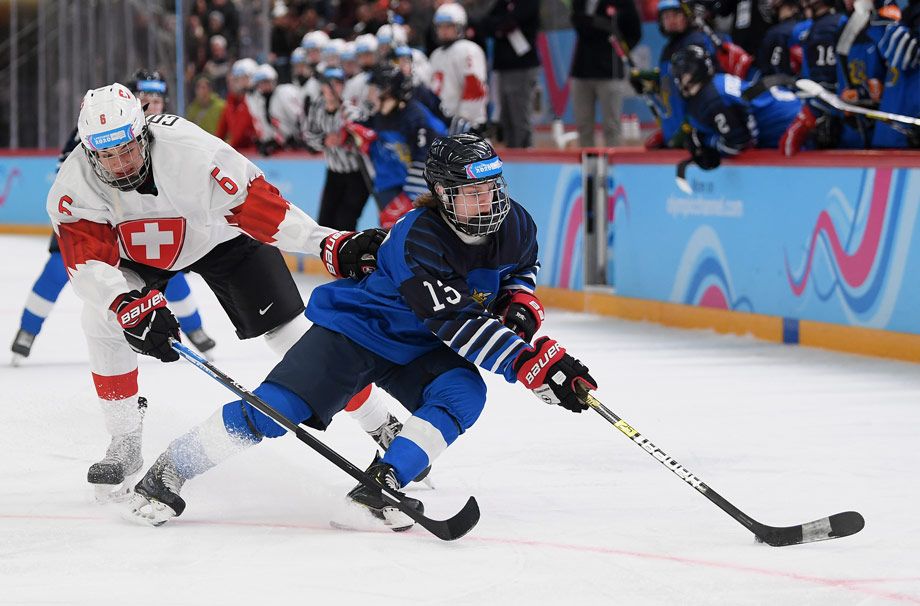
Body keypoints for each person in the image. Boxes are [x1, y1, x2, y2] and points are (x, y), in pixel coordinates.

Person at [126, 133, 598, 530]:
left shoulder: (516, 223)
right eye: (471, 192)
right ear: (442, 194)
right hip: (356, 334)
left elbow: (520, 270)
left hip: (420, 348)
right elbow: (457, 322)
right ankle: (170, 469)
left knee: (464, 392)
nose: (487, 202)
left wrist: (519, 304)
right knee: (274, 413)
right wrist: (528, 362)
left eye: (491, 188)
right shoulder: (418, 238)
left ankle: (379, 486)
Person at [47, 82, 391, 502]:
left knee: (293, 337)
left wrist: (325, 242)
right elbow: (89, 262)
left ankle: (381, 423)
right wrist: (125, 305)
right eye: (107, 155)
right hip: (136, 259)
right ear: (88, 152)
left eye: (127, 149)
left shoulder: (192, 151)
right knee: (99, 318)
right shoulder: (74, 185)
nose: (120, 164)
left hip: (221, 240)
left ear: (143, 134)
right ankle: (124, 439)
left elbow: (261, 207)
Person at [11, 70, 218, 366]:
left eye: (158, 98)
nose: (152, 103)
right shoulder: (98, 127)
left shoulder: (171, 131)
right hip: (94, 217)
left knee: (167, 268)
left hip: (148, 216)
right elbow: (67, 172)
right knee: (57, 269)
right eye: (145, 97)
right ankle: (27, 331)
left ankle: (195, 329)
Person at [347, 66, 448, 228]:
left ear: (388, 92)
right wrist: (355, 127)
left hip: (418, 185)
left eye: (374, 89)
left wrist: (410, 198)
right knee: (390, 230)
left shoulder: (415, 117)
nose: (370, 95)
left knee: (416, 229)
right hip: (391, 182)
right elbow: (367, 128)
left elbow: (429, 161)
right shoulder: (381, 114)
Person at [670, 45, 802, 167]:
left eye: (683, 71)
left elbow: (739, 143)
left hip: (790, 127)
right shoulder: (715, 84)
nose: (678, 78)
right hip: (790, 112)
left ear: (694, 71)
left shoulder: (712, 99)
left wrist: (709, 142)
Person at [303, 67, 371, 231]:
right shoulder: (317, 108)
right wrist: (324, 140)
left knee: (345, 223)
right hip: (334, 173)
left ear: (343, 87)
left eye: (337, 84)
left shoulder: (350, 111)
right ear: (322, 87)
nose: (332, 88)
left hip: (357, 175)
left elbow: (366, 136)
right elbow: (308, 135)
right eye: (329, 84)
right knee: (324, 224)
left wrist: (349, 137)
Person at [570, 0, 642, 147]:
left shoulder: (623, 3)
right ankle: (587, 160)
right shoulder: (579, 2)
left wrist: (619, 51)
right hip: (582, 69)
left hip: (610, 71)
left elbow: (635, 32)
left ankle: (614, 160)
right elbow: (578, 23)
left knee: (611, 126)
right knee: (583, 125)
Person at [477, 0, 542, 148]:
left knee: (519, 114)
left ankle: (524, 151)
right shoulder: (502, 4)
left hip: (522, 66)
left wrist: (500, 27)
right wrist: (499, 28)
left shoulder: (528, 3)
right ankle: (511, 150)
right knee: (505, 115)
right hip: (502, 66)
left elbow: (511, 22)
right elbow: (485, 24)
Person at [428, 4, 489, 132]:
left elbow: (475, 88)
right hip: (443, 123)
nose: (444, 31)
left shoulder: (468, 50)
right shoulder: (435, 55)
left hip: (467, 125)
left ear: (460, 27)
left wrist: (464, 119)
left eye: (449, 26)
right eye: (440, 26)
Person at [216, 58, 258, 151]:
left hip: (255, 153)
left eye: (238, 79)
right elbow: (220, 134)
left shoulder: (254, 101)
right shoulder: (230, 103)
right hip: (240, 153)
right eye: (233, 79)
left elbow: (242, 134)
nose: (232, 83)